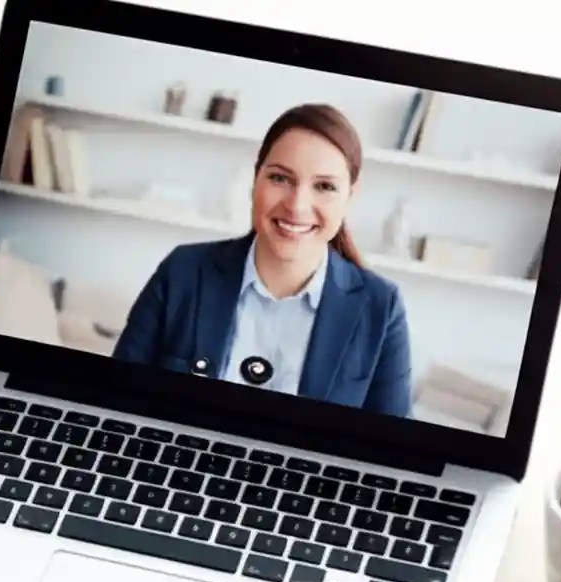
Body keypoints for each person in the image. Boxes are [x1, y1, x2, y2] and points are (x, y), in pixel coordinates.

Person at [111, 103, 412, 417]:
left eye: (324, 186)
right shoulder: (183, 271)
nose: (297, 206)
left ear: (350, 194)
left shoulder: (382, 306)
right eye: (281, 178)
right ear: (256, 179)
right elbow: (114, 398)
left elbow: (393, 448)